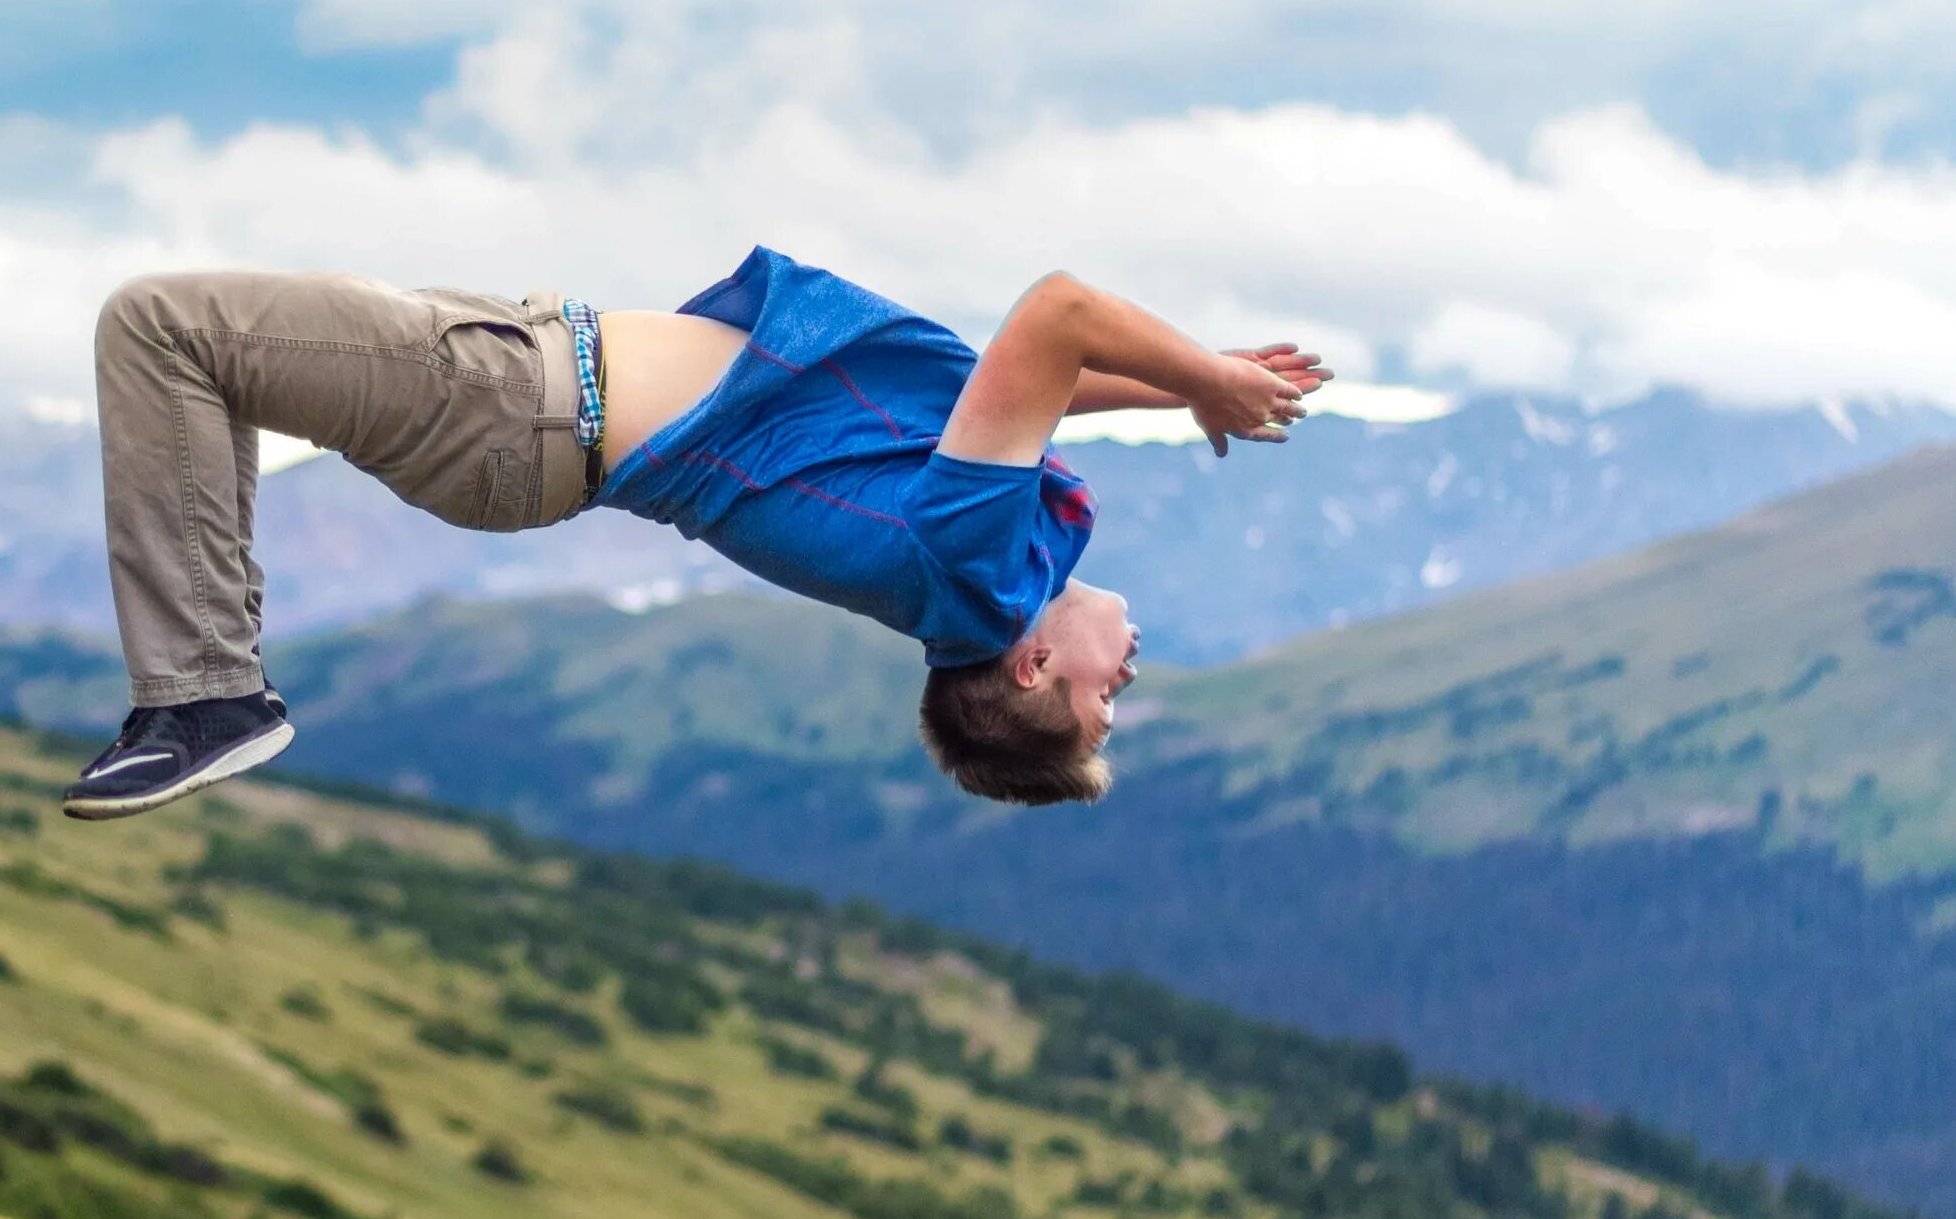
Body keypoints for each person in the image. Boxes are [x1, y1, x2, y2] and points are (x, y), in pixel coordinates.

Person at [66, 248, 1326, 818]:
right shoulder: (980, 550)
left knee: (161, 328)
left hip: (521, 405)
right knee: (197, 352)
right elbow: (1018, 378)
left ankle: (204, 692)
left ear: (1036, 669)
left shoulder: (972, 570)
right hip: (528, 381)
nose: (1131, 681)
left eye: (1110, 709)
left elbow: (1056, 312)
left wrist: (1201, 379)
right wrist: (1191, 379)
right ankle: (205, 686)